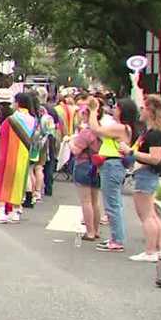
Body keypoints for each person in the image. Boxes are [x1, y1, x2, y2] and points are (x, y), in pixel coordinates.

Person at [89, 95, 137, 252]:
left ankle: (117, 240)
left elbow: (95, 129)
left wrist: (93, 110)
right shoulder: (124, 128)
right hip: (113, 165)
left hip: (112, 165)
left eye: (117, 108)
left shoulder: (121, 128)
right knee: (113, 203)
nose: (114, 109)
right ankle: (116, 237)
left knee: (112, 204)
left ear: (123, 111)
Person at [122, 95, 161, 262]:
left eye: (144, 108)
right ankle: (158, 249)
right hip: (146, 173)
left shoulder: (155, 134)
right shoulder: (152, 132)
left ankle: (150, 251)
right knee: (151, 214)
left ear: (151, 112)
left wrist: (131, 152)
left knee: (146, 215)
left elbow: (155, 158)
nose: (141, 110)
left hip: (146, 174)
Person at [0, 92, 38, 224]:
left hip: (9, 154)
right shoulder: (33, 120)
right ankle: (15, 212)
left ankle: (1, 211)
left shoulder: (12, 119)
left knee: (5, 182)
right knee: (19, 182)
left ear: (17, 103)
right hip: (24, 155)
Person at [70, 101, 103, 242]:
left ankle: (89, 232)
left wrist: (70, 142)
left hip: (84, 165)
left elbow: (76, 150)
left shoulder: (86, 133)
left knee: (86, 201)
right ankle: (96, 230)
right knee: (95, 201)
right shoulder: (102, 132)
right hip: (98, 165)